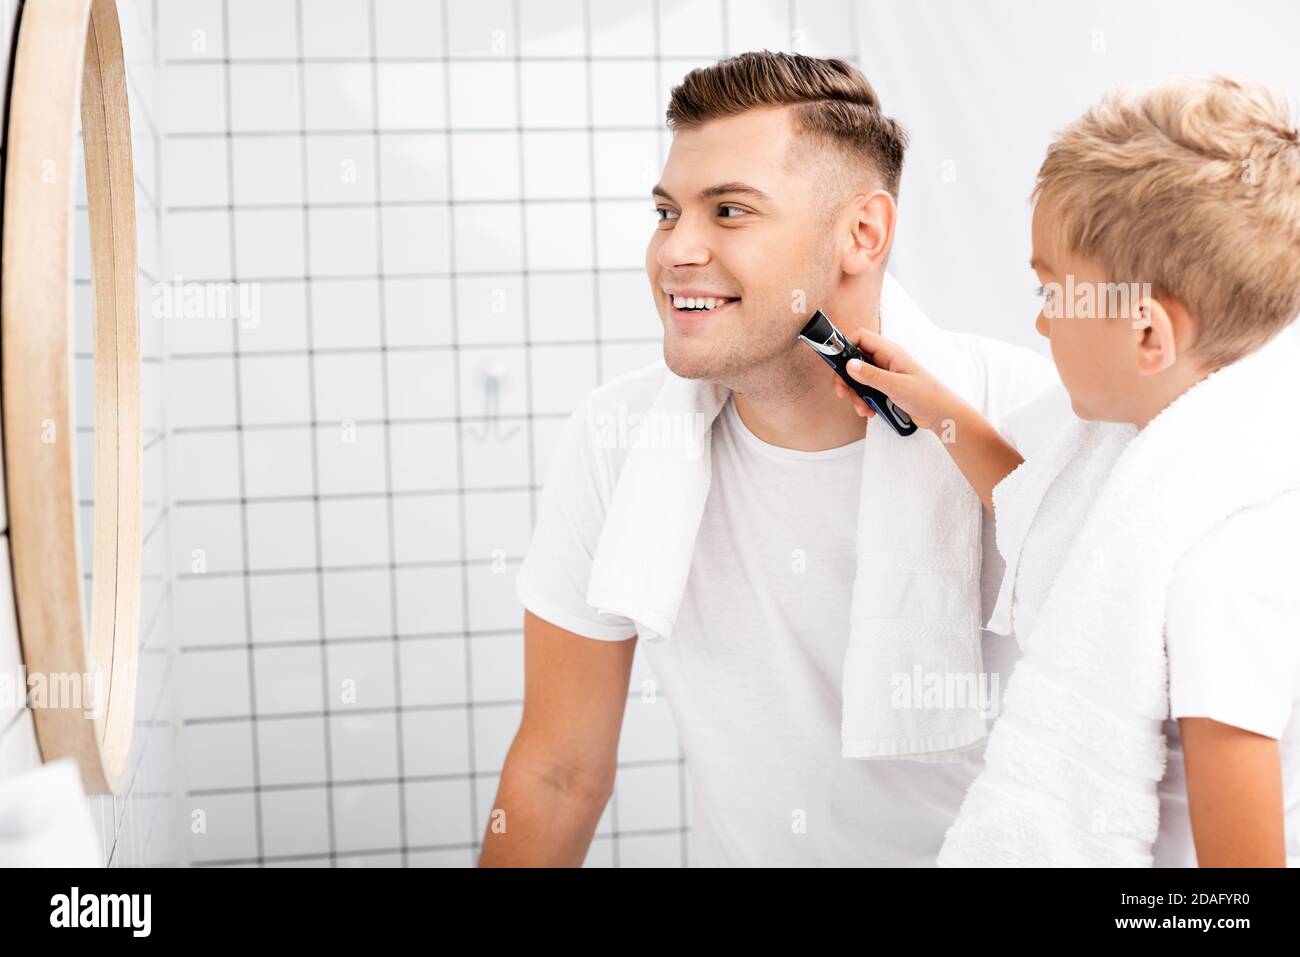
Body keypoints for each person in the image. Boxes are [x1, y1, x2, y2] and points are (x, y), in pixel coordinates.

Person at [479, 51, 1057, 867]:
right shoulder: (617, 438)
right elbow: (558, 771)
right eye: (666, 212)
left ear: (863, 233)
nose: (676, 250)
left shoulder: (1022, 418)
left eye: (729, 211)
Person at [834, 76, 1300, 866]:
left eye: (1052, 291)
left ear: (1148, 334)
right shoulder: (1160, 464)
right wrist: (939, 409)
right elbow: (1059, 525)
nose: (1041, 318)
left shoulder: (1227, 562)